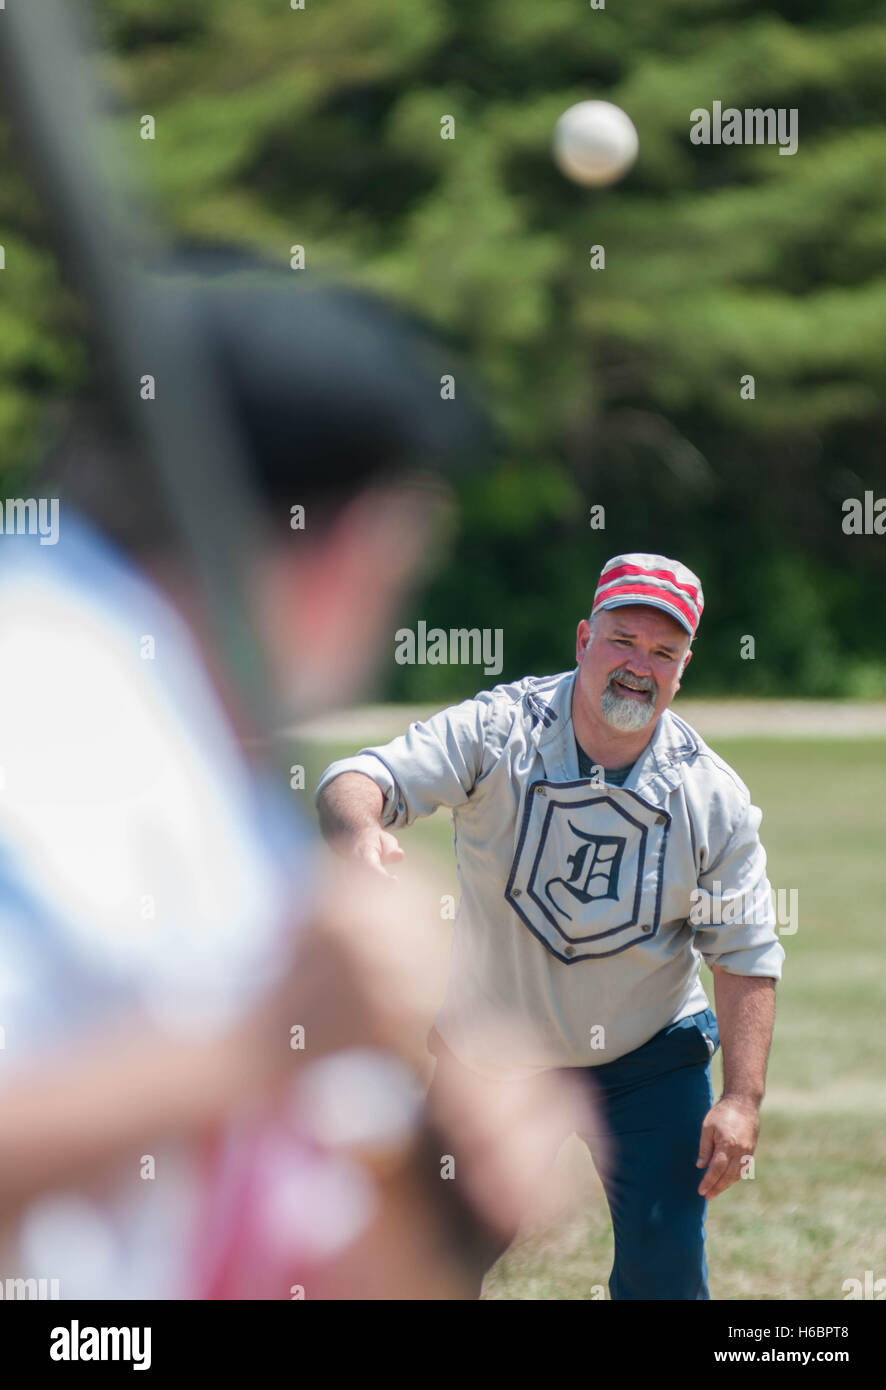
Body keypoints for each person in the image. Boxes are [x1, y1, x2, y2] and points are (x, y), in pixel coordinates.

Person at [0, 257, 584, 1300]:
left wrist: (440, 1172)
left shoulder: (184, 741)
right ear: (355, 548)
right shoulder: (56, 712)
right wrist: (267, 1041)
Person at [315, 551, 786, 1299]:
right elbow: (359, 777)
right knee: (432, 1258)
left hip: (648, 1055)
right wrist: (359, 833)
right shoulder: (500, 727)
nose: (639, 666)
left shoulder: (709, 792)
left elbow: (745, 952)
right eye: (621, 641)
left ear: (683, 667)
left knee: (663, 1274)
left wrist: (740, 1100)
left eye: (662, 653)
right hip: (495, 1048)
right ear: (581, 640)